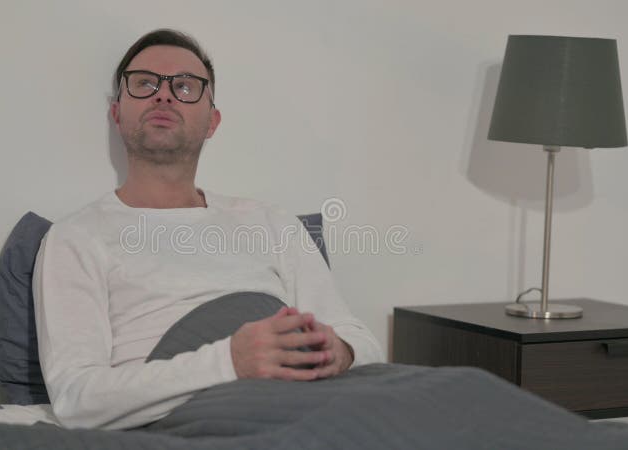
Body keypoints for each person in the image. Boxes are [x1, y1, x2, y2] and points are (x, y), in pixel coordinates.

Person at [33, 28, 383, 431]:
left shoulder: (270, 221)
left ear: (212, 121)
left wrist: (337, 351)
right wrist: (231, 361)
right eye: (145, 83)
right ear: (117, 113)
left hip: (304, 399)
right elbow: (77, 399)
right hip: (192, 418)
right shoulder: (76, 237)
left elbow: (359, 338)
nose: (163, 95)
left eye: (185, 87)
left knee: (464, 387)